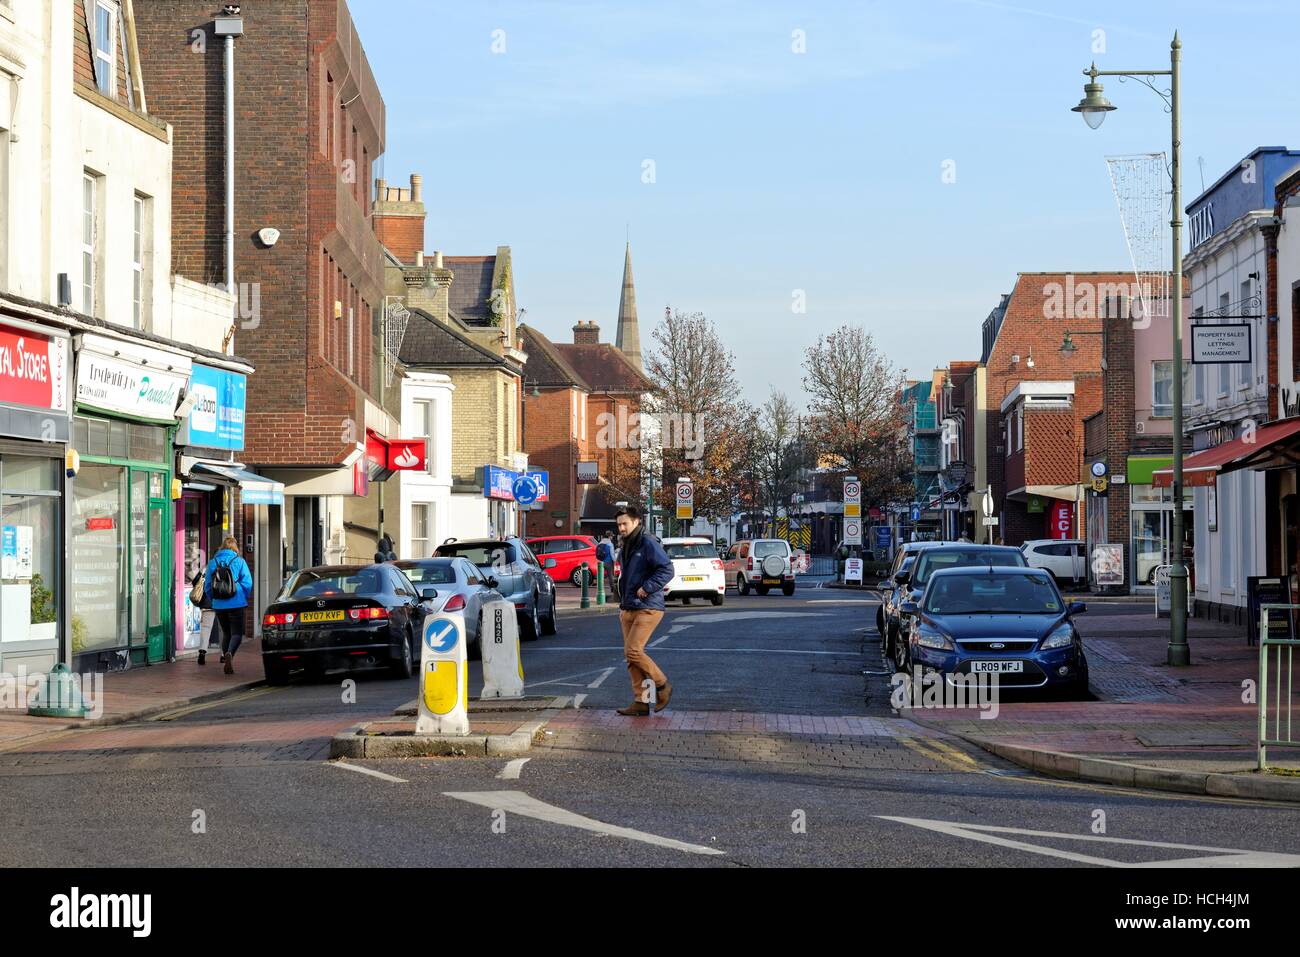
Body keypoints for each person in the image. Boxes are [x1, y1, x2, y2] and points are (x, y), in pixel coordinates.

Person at [613, 505, 675, 716]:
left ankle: (662, 685)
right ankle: (641, 702)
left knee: (633, 651)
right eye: (619, 524)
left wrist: (646, 588)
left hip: (648, 606)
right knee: (632, 658)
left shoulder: (647, 543)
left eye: (625, 523)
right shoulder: (626, 545)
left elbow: (667, 569)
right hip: (629, 607)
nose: (621, 528)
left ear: (637, 521)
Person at [204, 536, 254, 675]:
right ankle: (230, 654)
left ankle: (225, 654)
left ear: (222, 547)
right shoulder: (239, 561)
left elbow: (207, 585)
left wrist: (213, 599)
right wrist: (244, 596)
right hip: (236, 603)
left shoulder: (213, 562)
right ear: (235, 547)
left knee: (226, 633)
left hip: (219, 605)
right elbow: (248, 583)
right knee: (237, 633)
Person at [596, 532, 617, 597]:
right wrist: (615, 561)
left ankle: (600, 590)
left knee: (600, 576)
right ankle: (613, 589)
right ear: (609, 537)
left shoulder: (600, 543)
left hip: (600, 562)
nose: (612, 537)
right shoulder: (610, 544)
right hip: (608, 562)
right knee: (610, 576)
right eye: (612, 536)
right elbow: (612, 554)